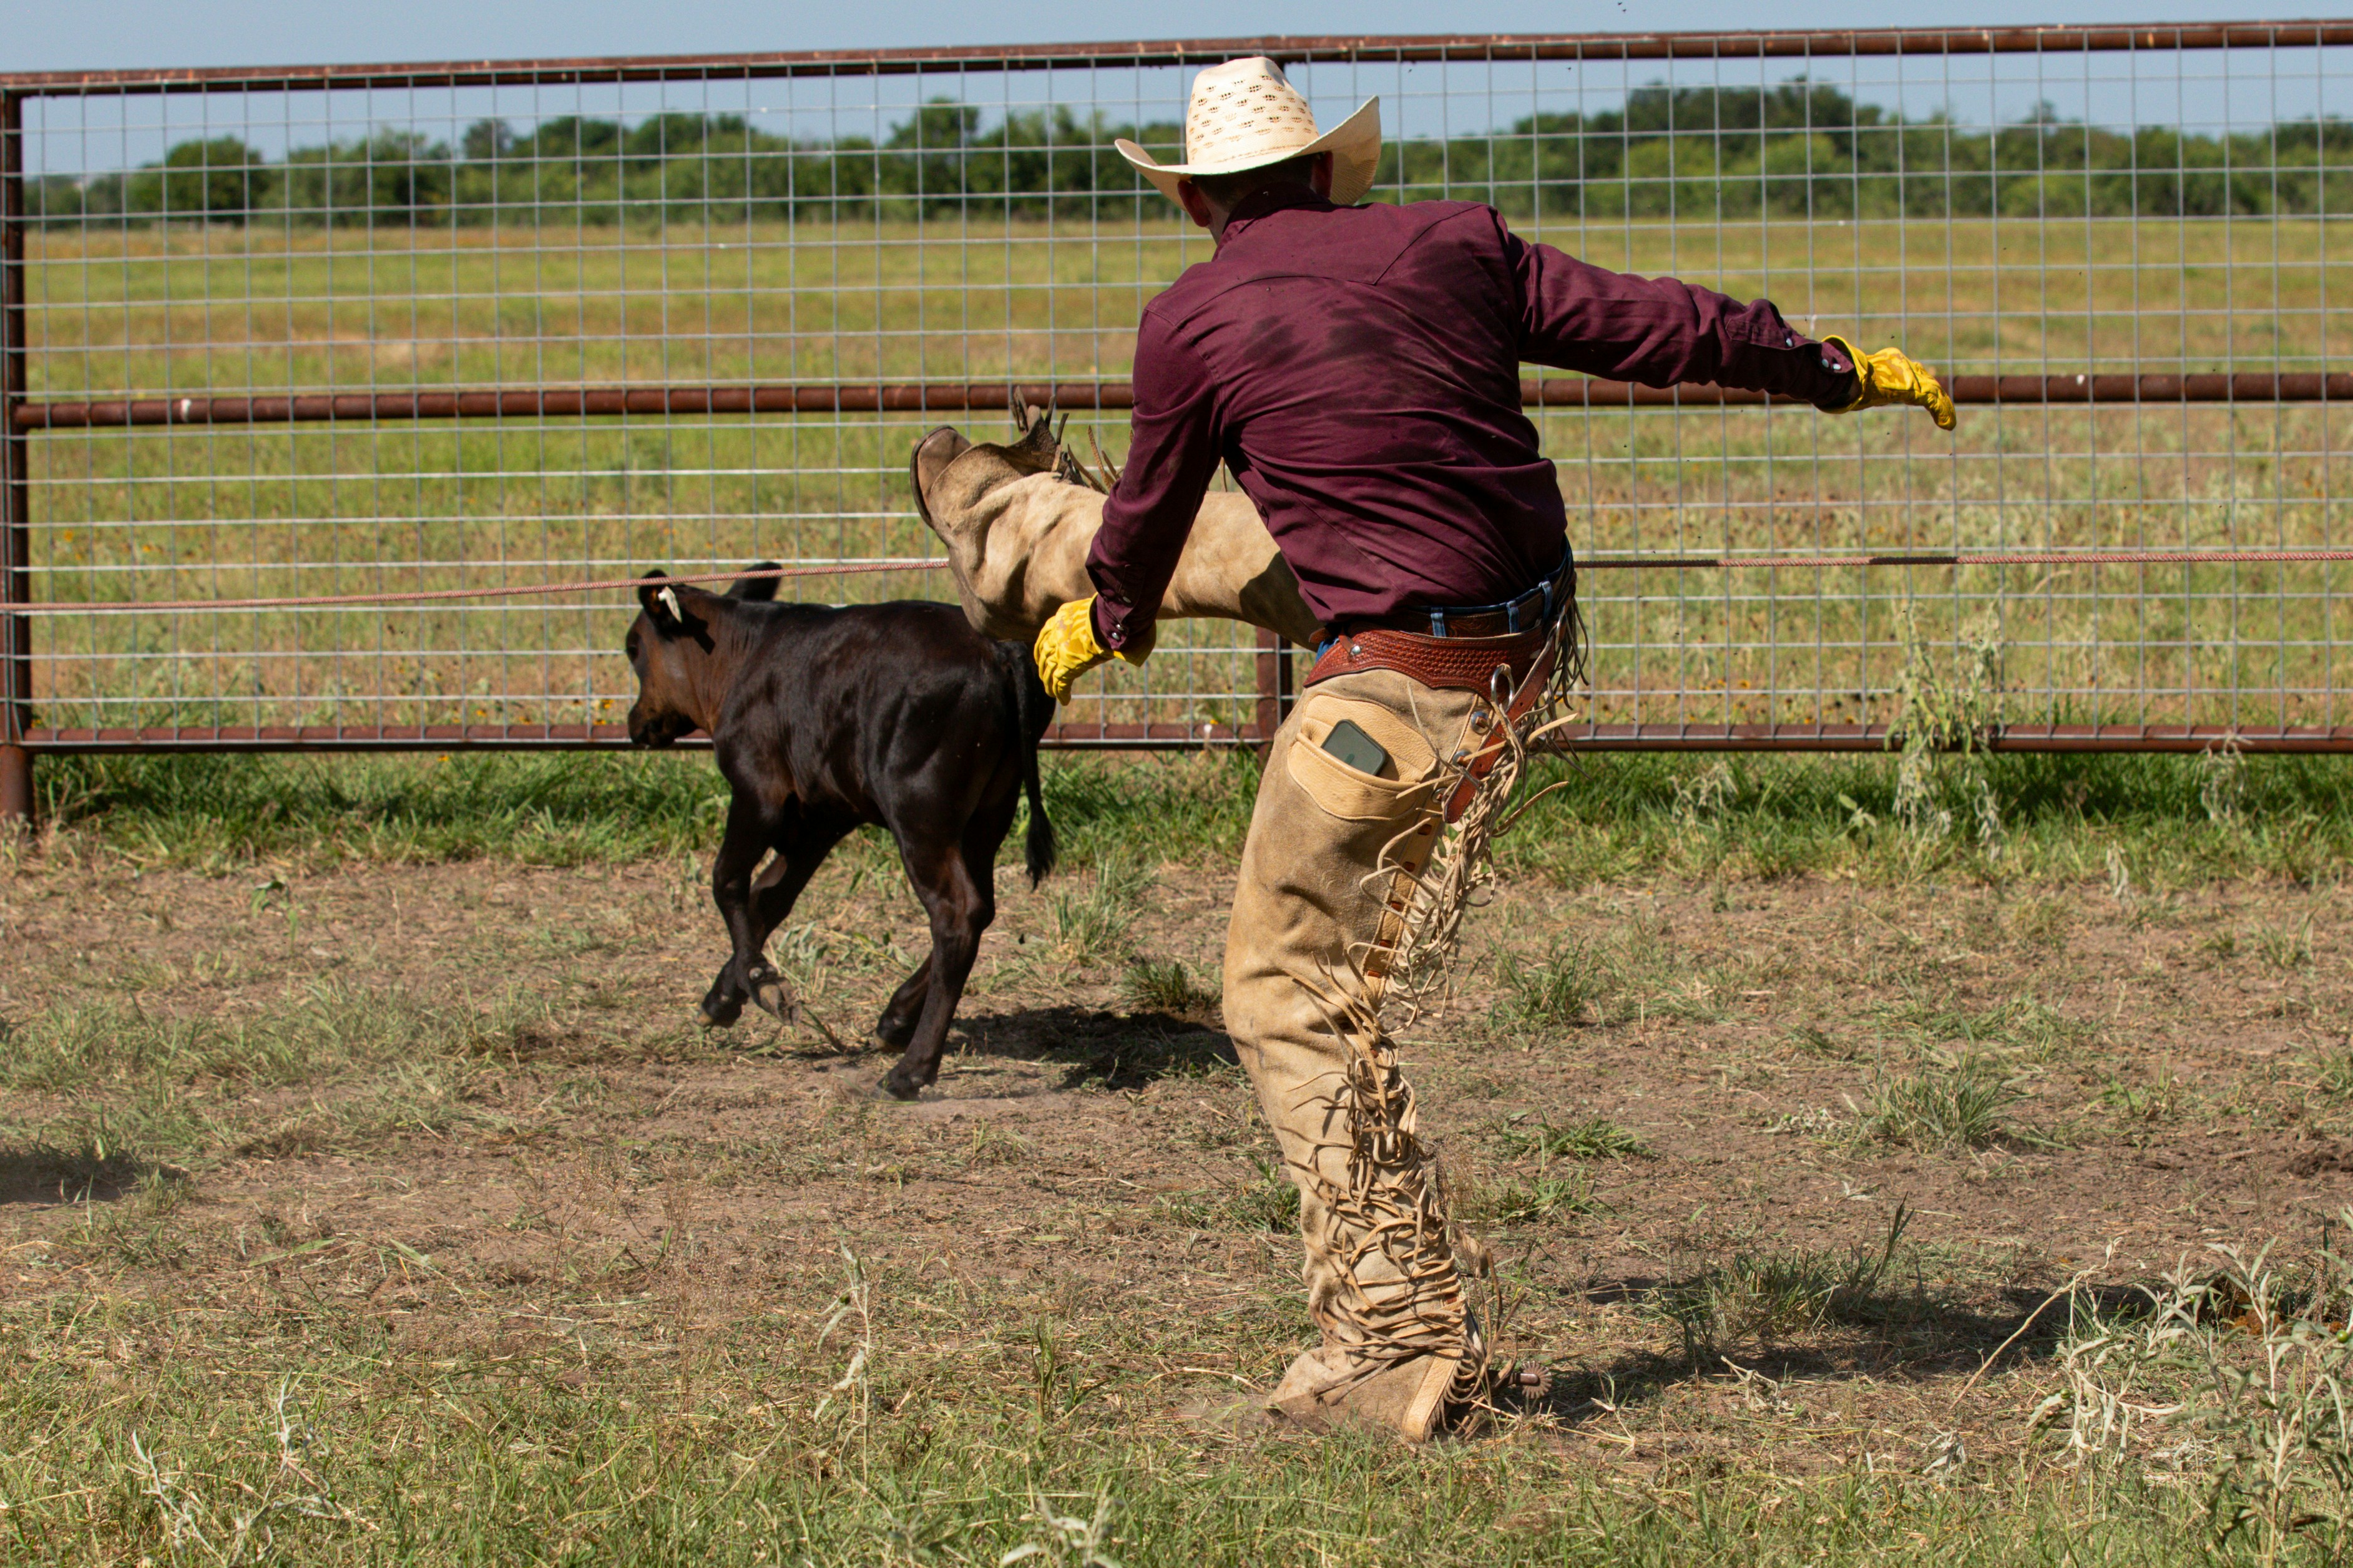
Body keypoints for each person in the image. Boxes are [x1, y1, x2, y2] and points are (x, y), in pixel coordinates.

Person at [1031, 56, 1956, 1443]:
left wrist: (1100, 621)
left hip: (1397, 692)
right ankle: (1396, 1317)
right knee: (1337, 982)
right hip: (1527, 649)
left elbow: (1147, 517)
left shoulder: (1191, 320)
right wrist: (1825, 370)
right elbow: (1649, 322)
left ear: (1198, 203)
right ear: (1333, 171)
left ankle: (1394, 1344)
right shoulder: (1454, 243)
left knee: (1287, 993)